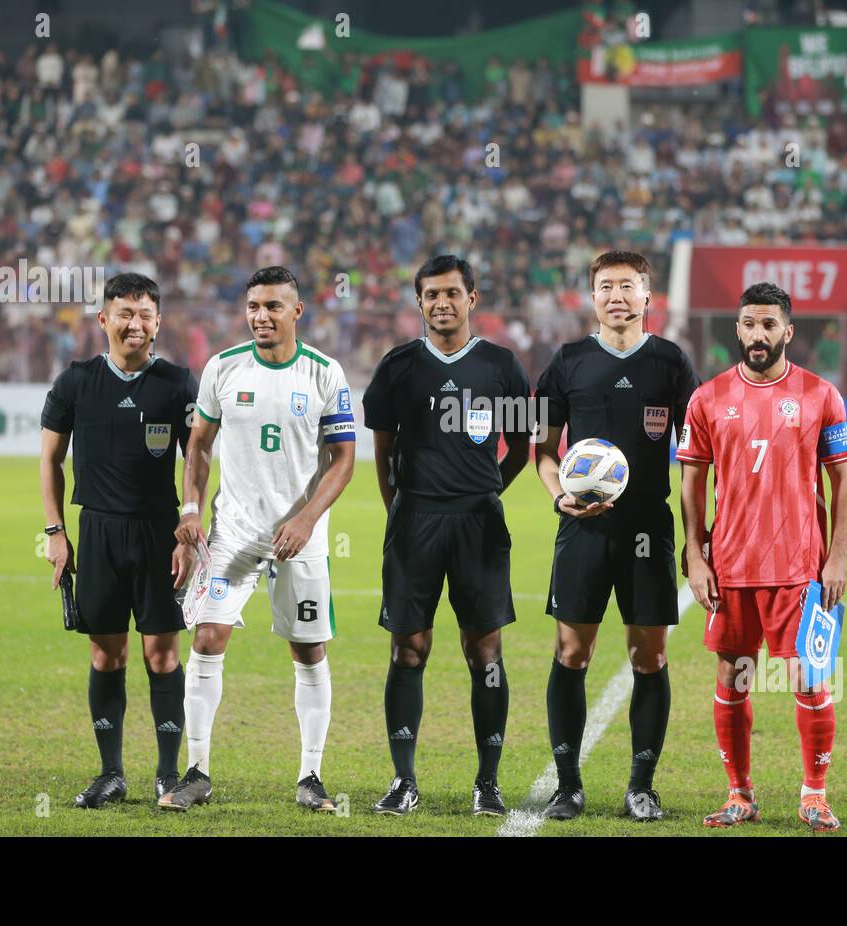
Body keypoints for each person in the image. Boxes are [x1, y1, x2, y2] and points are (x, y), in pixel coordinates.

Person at [160, 266, 356, 813]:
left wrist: (307, 519)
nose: (260, 316)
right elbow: (198, 445)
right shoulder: (223, 368)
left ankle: (311, 775)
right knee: (206, 639)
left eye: (272, 306)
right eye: (253, 306)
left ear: (297, 311)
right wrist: (192, 508)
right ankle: (196, 772)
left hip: (302, 536)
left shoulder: (325, 373)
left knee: (308, 649)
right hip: (234, 533)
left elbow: (344, 459)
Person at [678, 282, 847, 831]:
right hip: (730, 566)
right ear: (738, 329)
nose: (759, 335)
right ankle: (740, 795)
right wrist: (695, 552)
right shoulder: (706, 398)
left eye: (769, 325)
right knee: (732, 678)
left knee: (809, 681)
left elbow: (844, 482)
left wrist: (839, 558)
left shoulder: (821, 395)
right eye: (750, 324)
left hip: (801, 566)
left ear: (788, 331)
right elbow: (691, 481)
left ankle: (815, 794)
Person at [362, 254, 532, 816]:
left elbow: (522, 450)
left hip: (478, 523)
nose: (442, 302)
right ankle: (403, 781)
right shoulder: (398, 367)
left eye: (452, 293)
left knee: (484, 649)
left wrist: (483, 493)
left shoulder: (502, 366)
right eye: (431, 294)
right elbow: (383, 452)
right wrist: (401, 511)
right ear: (419, 303)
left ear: (472, 298)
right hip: (414, 522)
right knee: (409, 648)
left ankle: (488, 782)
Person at [534, 250, 700, 822]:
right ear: (592, 296)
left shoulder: (671, 363)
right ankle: (567, 786)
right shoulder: (569, 360)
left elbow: (696, 455)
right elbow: (545, 451)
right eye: (606, 286)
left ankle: (641, 787)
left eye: (628, 287)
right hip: (582, 528)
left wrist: (697, 538)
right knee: (572, 652)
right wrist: (559, 494)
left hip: (648, 529)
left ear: (648, 297)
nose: (617, 297)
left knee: (648, 656)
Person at [39, 272, 198, 808]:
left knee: (162, 654)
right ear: (103, 319)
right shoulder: (76, 381)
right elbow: (49, 460)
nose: (136, 324)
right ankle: (111, 773)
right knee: (107, 655)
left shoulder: (179, 384)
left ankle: (168, 775)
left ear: (158, 321)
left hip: (160, 532)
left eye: (146, 314)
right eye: (125, 314)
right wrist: (56, 532)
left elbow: (195, 460)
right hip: (98, 530)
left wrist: (190, 529)